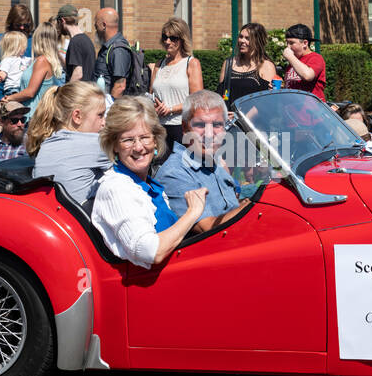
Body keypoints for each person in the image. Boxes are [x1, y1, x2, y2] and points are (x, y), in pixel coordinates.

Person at [91, 96, 207, 268]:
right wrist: (192, 213)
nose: (138, 147)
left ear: (155, 140)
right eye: (128, 140)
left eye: (145, 137)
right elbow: (150, 251)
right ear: (114, 145)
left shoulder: (149, 184)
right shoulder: (116, 188)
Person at [155, 89, 250, 234]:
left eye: (217, 124)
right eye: (200, 125)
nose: (210, 133)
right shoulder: (174, 173)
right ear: (185, 129)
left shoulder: (213, 161)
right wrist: (253, 205)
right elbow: (207, 228)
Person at [26, 81, 111, 205]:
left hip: (54, 217)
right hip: (80, 221)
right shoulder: (95, 144)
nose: (104, 123)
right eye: (100, 115)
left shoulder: (45, 144)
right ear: (77, 116)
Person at [150, 17, 204, 148]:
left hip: (182, 127)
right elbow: (151, 95)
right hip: (159, 128)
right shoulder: (159, 65)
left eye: (173, 38)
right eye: (165, 37)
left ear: (182, 39)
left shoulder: (191, 63)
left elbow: (196, 100)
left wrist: (170, 109)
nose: (167, 41)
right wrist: (155, 107)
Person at [0, 4, 34, 135]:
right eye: (18, 24)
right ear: (10, 23)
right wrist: (6, 66)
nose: (22, 28)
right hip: (0, 98)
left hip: (25, 101)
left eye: (26, 25)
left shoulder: (34, 42)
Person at [3, 20, 64, 108]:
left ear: (37, 39)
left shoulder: (42, 61)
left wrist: (8, 98)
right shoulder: (43, 60)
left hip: (34, 113)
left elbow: (30, 92)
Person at [218, 22, 278, 107]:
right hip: (228, 117)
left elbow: (267, 101)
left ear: (258, 41)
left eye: (247, 38)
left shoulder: (266, 66)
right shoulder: (228, 63)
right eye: (241, 37)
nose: (242, 41)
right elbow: (222, 94)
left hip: (252, 119)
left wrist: (240, 116)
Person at [94, 7, 139, 98]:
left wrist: (110, 108)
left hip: (109, 107)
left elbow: (120, 86)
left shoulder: (118, 50)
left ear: (103, 25)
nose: (95, 29)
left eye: (96, 26)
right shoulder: (108, 47)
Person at [281, 23, 325, 101]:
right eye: (287, 43)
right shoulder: (293, 62)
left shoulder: (315, 58)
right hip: (291, 110)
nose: (288, 47)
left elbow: (307, 76)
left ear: (305, 43)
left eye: (291, 43)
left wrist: (291, 57)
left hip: (311, 111)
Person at [58, 4, 97, 88]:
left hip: (79, 95)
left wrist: (64, 92)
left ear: (62, 20)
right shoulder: (86, 39)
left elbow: (78, 74)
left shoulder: (75, 42)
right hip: (88, 92)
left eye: (58, 22)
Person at [0, 29, 32, 99]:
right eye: (23, 46)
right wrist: (1, 75)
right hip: (12, 88)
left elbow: (35, 61)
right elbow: (3, 71)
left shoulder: (24, 58)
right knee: (14, 104)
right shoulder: (7, 60)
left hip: (23, 88)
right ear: (15, 47)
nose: (25, 48)